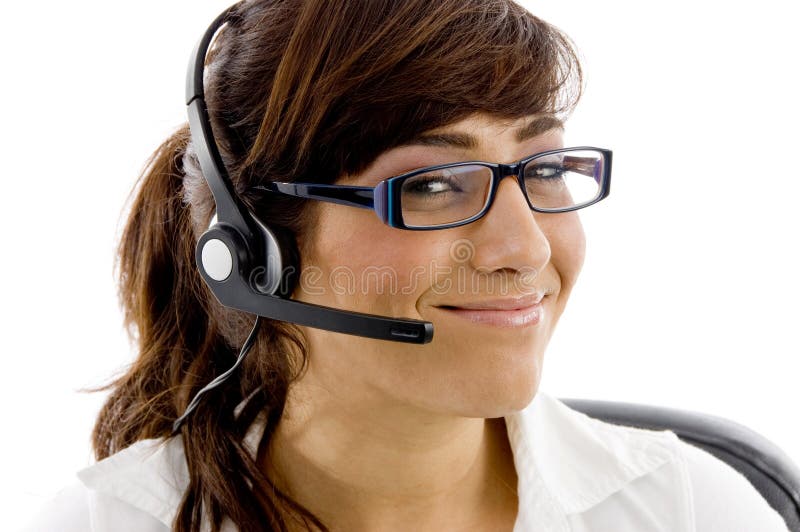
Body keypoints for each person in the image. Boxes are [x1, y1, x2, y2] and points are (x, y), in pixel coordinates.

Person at [25, 0, 791, 531]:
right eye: (431, 185)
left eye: (545, 166)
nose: (524, 249)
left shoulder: (692, 511)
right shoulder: (103, 525)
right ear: (256, 248)